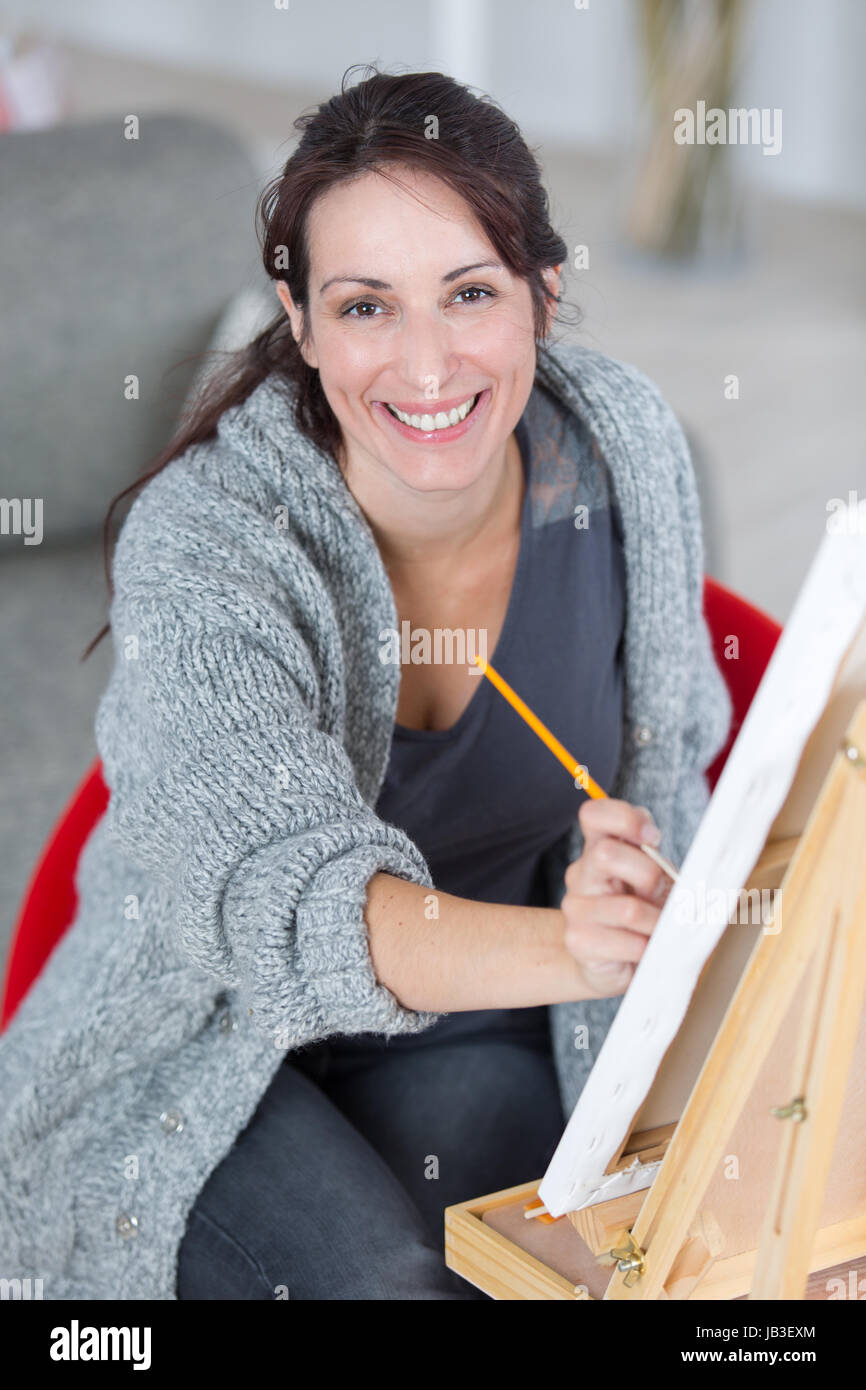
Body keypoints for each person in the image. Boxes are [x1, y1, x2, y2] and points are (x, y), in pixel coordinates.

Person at [0, 64, 731, 1301]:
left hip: (482, 1041)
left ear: (542, 292)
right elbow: (296, 911)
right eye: (364, 307)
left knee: (608, 1262)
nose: (428, 364)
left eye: (468, 293)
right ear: (298, 319)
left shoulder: (622, 447)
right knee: (390, 1284)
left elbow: (670, 758)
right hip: (206, 1052)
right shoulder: (210, 539)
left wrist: (648, 880)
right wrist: (582, 944)